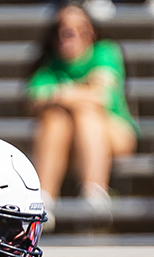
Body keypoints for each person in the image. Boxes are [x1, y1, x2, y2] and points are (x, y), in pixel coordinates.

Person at [25, 2, 138, 217]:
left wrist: (61, 94)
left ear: (90, 31)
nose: (70, 34)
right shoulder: (49, 65)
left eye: (78, 28)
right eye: (64, 29)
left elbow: (102, 96)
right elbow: (33, 98)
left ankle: (94, 191)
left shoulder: (105, 51)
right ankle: (43, 199)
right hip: (67, 139)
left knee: (85, 114)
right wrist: (80, 93)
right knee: (55, 120)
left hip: (113, 131)